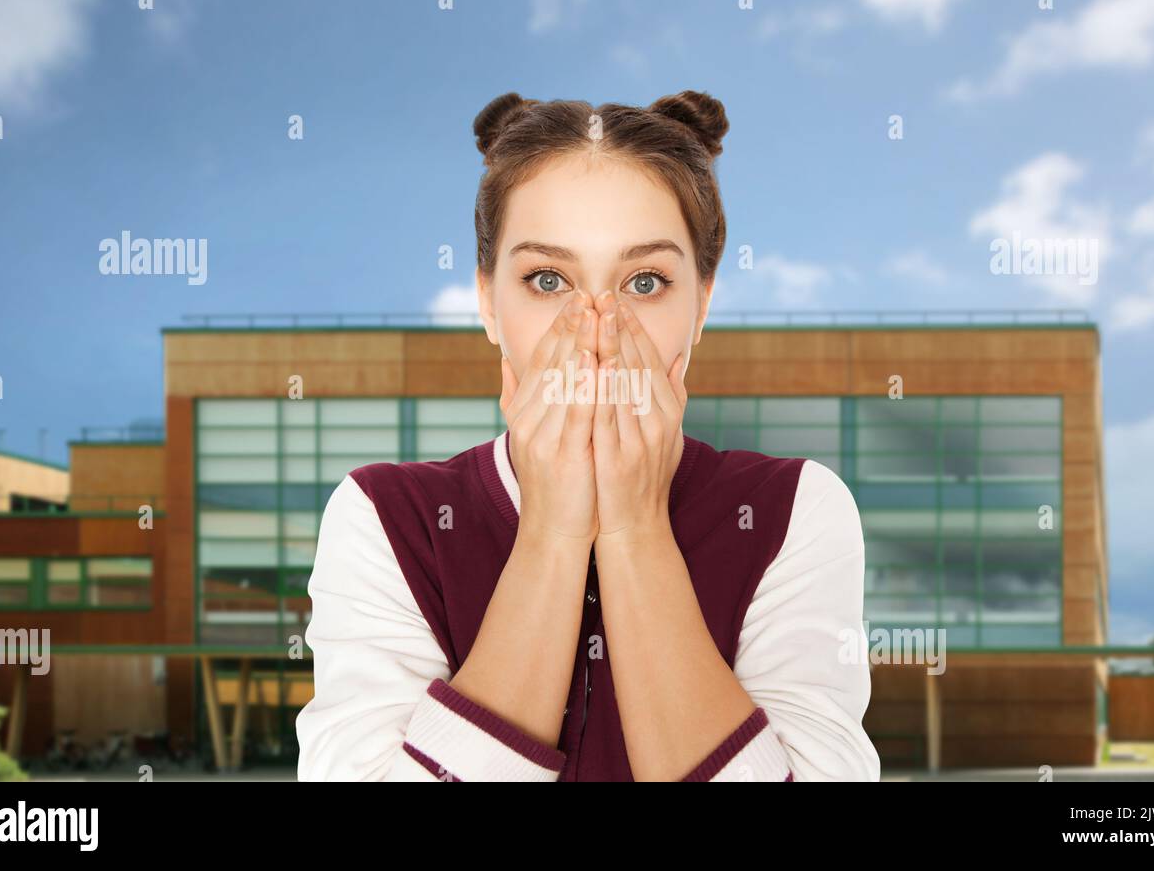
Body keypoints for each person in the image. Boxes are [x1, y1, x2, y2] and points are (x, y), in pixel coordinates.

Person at [295, 90, 880, 781]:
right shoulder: (385, 518)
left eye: (644, 281)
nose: (599, 333)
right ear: (487, 300)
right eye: (547, 279)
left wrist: (635, 527)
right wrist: (552, 532)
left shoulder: (797, 511)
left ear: (703, 303)